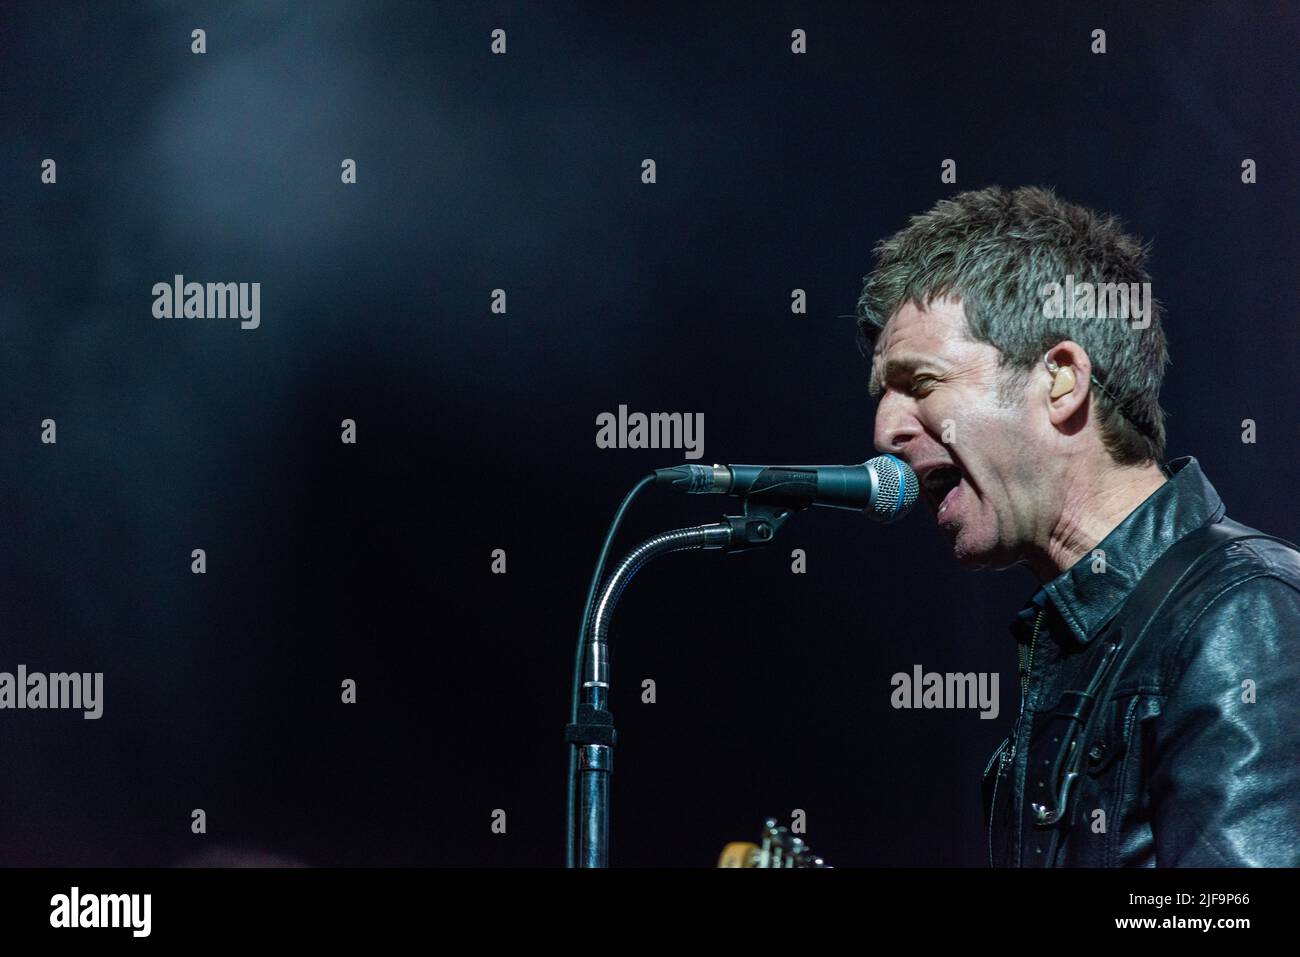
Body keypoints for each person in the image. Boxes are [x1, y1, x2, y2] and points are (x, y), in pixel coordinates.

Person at [856, 186, 1300, 866]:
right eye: (883, 396)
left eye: (920, 383)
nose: (886, 428)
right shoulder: (1076, 645)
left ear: (1061, 378)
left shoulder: (1244, 612)